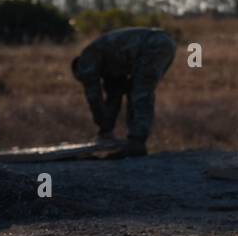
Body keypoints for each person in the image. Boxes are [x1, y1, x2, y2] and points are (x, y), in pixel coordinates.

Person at [71, 27, 177, 156]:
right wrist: (106, 130)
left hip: (152, 45)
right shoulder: (108, 63)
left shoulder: (87, 60)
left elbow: (94, 98)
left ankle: (137, 142)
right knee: (137, 90)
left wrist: (104, 128)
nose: (85, 80)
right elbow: (114, 97)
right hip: (163, 43)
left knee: (141, 92)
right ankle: (136, 140)